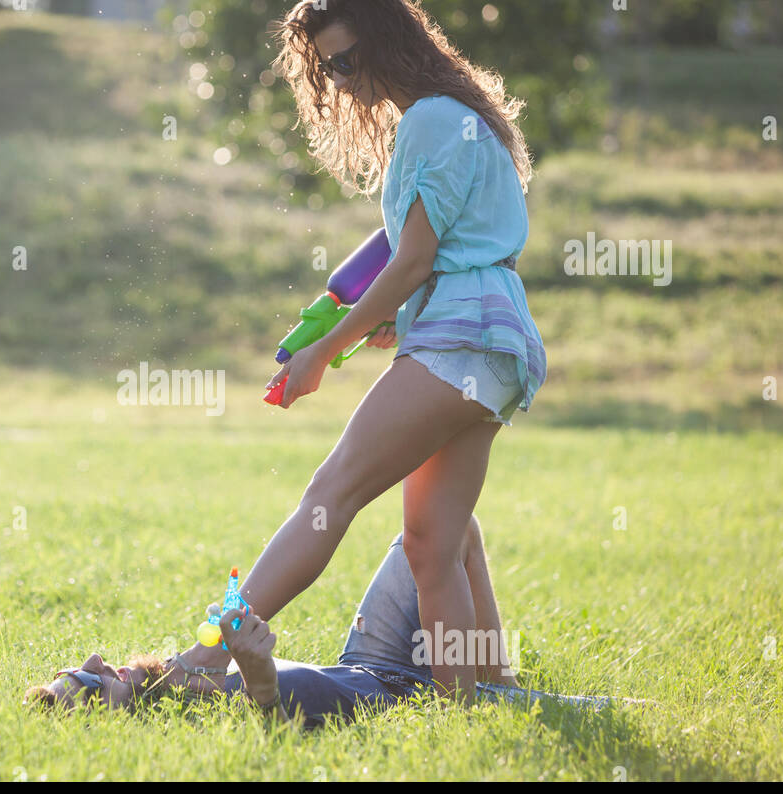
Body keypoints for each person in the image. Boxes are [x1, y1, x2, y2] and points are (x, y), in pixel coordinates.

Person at [171, 0, 549, 703]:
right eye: (327, 68)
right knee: (432, 544)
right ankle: (469, 707)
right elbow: (454, 254)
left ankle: (205, 653)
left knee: (330, 493)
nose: (340, 81)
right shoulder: (460, 114)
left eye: (346, 61)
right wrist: (397, 319)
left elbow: (410, 262)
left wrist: (324, 351)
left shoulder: (432, 119)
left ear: (387, 41)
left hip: (457, 341)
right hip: (496, 348)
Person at [0, 517, 644, 730]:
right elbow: (268, 726)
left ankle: (498, 681)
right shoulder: (190, 720)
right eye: (90, 686)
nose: (99, 662)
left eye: (81, 669)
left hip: (365, 658)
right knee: (613, 722)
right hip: (410, 695)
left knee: (444, 527)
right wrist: (263, 672)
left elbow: (15, 709)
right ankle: (485, 698)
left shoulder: (176, 679)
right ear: (112, 720)